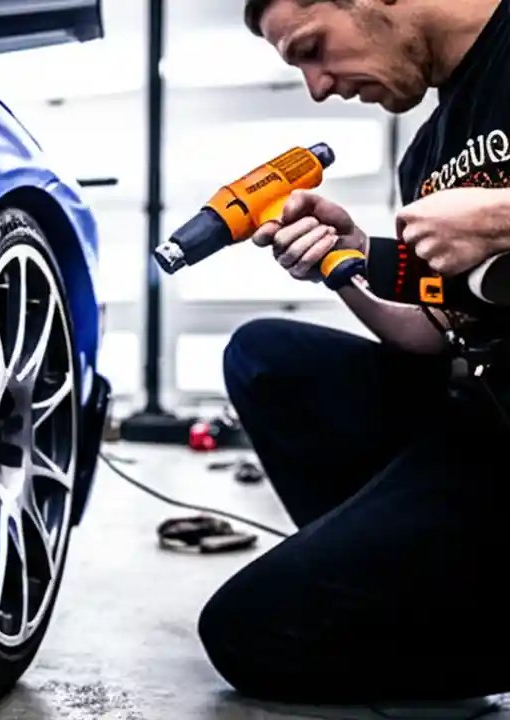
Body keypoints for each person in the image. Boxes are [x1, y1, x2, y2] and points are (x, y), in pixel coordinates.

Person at [196, 0, 510, 705]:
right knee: (266, 354)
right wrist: (351, 262)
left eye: (312, 48)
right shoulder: (426, 154)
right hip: (484, 418)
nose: (318, 86)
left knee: (255, 634)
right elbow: (430, 333)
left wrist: (499, 217)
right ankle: (412, 592)